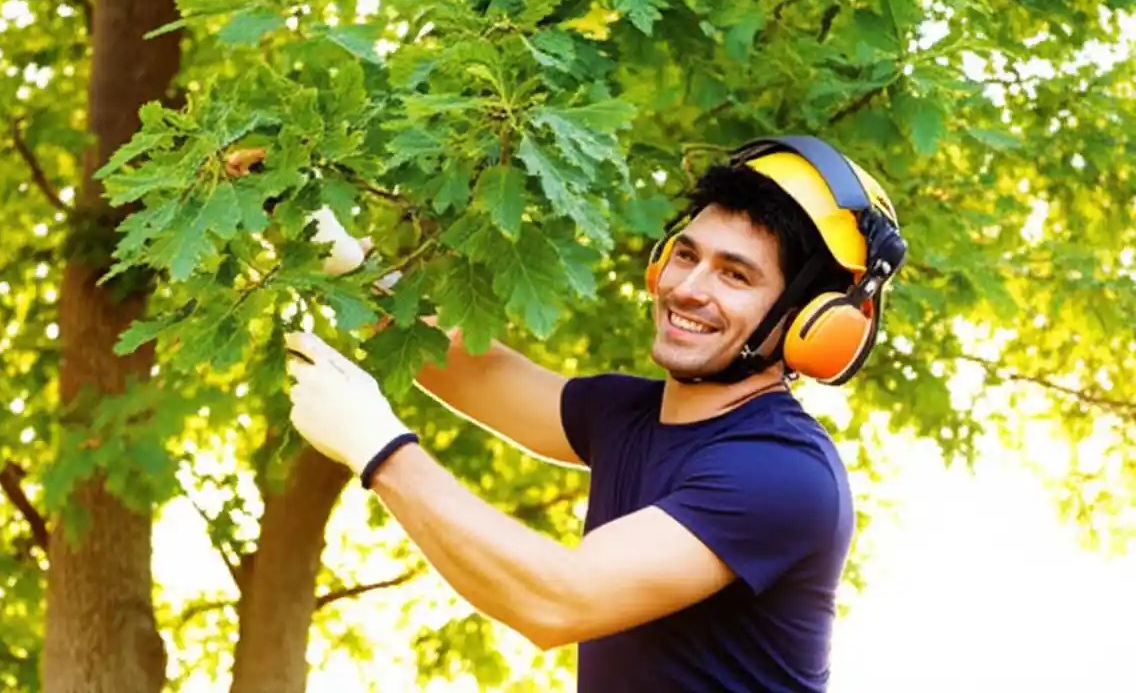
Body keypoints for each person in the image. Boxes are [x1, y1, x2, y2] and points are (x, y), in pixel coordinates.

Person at [283, 135, 907, 692]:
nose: (688, 288)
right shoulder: (629, 414)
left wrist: (380, 449)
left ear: (814, 322)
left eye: (735, 275)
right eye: (687, 256)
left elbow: (558, 600)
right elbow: (477, 370)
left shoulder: (780, 475)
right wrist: (346, 265)